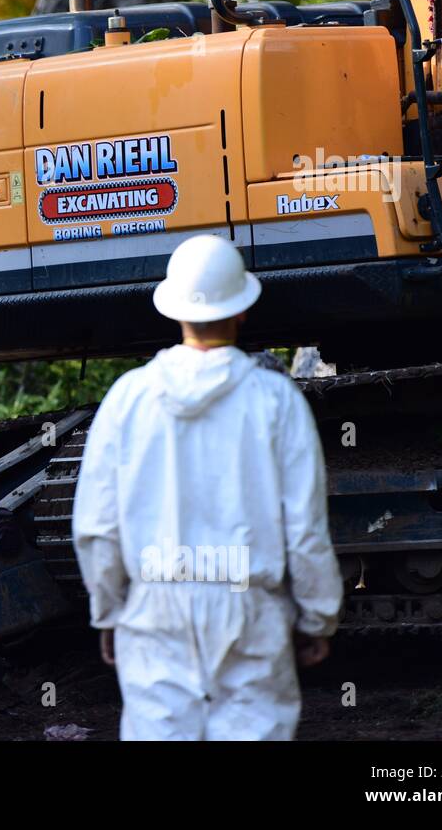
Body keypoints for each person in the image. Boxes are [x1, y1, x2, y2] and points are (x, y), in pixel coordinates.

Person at [72, 234, 343, 740]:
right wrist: (317, 618)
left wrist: (109, 612)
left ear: (174, 311)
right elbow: (305, 529)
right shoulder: (276, 401)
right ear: (242, 310)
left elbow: (97, 526)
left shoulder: (128, 399)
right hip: (249, 607)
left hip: (153, 607)